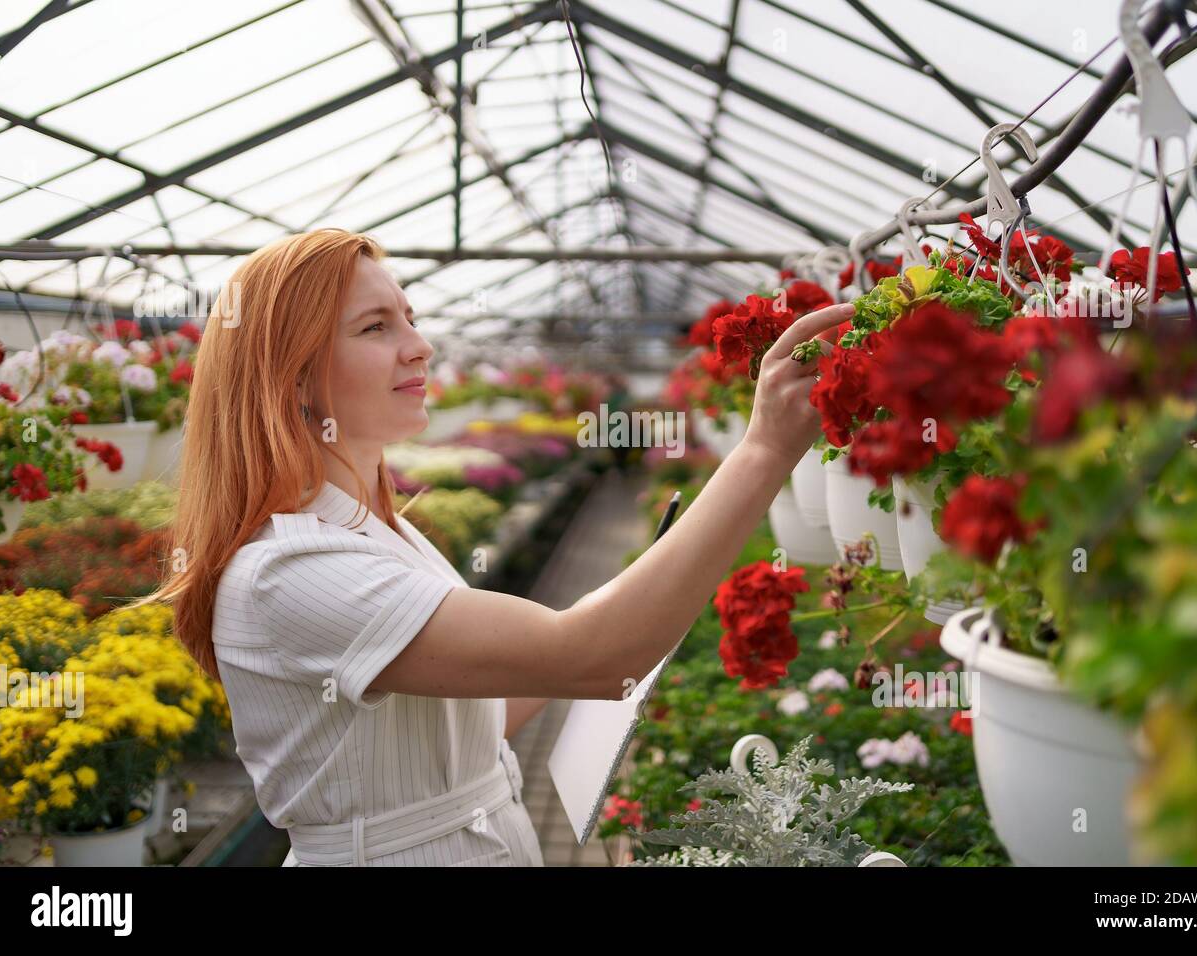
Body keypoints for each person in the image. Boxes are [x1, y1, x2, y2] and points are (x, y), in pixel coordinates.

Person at [132, 227, 853, 866]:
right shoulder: (292, 570)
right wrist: (762, 450)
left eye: (409, 317)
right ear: (293, 381)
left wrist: (636, 598)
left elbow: (471, 722)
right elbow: (596, 655)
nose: (420, 344)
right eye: (376, 327)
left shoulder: (376, 527)